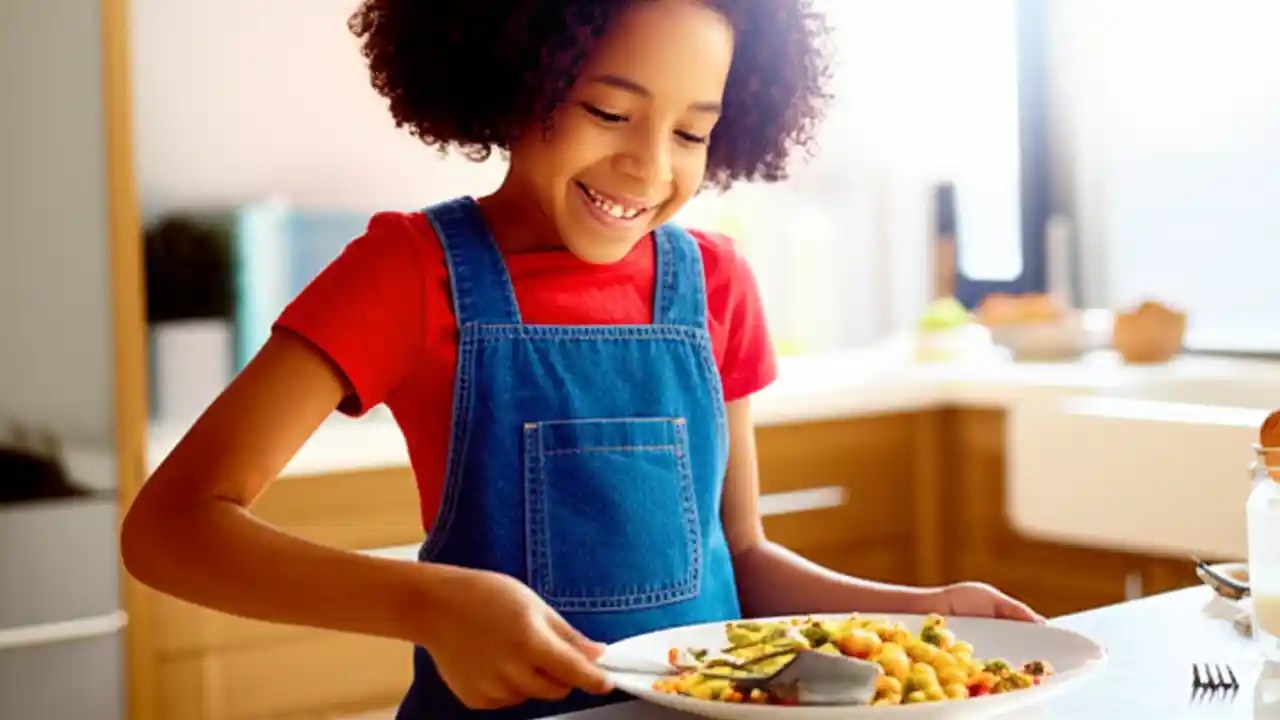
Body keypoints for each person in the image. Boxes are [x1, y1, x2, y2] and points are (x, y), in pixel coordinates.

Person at [121, 1, 1042, 717]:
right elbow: (171, 527)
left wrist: (920, 609)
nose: (649, 167)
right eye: (610, 110)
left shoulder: (715, 283)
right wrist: (432, 605)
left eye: (690, 132)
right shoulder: (408, 273)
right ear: (517, 75)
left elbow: (742, 561)